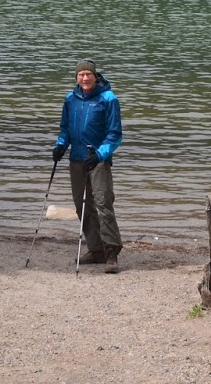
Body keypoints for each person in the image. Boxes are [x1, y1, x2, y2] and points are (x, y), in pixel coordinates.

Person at [52, 59, 123, 273]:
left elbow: (115, 134)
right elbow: (65, 129)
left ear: (96, 76)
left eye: (88, 74)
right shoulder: (70, 99)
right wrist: (60, 145)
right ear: (76, 77)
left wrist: (101, 154)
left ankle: (111, 252)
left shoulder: (108, 98)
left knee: (103, 204)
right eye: (81, 74)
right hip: (77, 158)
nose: (85, 78)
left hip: (98, 159)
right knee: (81, 205)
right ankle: (95, 249)